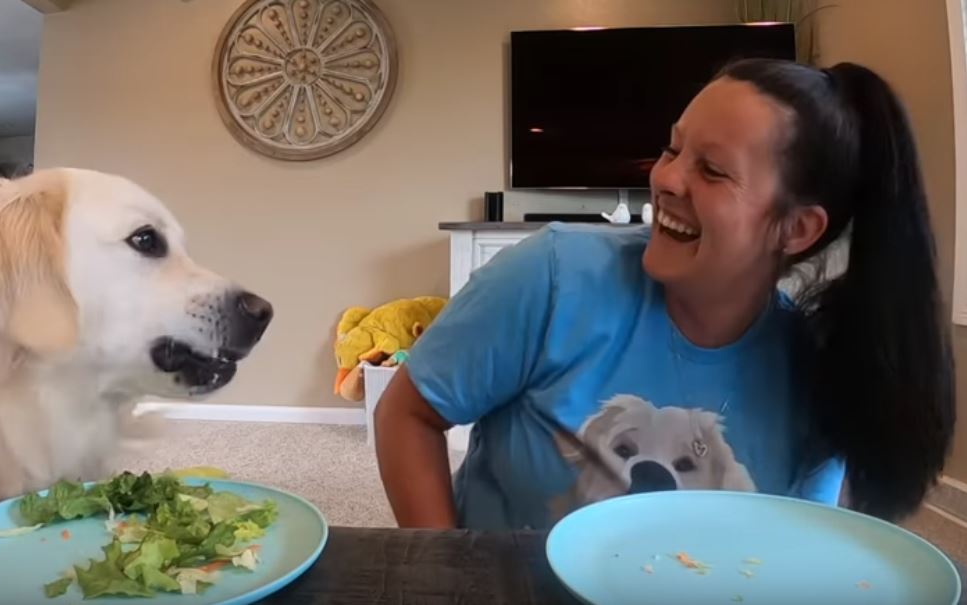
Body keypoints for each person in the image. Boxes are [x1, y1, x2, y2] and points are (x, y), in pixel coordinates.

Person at [374, 58, 956, 530]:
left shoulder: (817, 377)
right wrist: (450, 581)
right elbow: (407, 415)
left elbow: (786, 553)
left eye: (712, 170)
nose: (666, 178)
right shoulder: (553, 276)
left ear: (797, 228)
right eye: (674, 149)